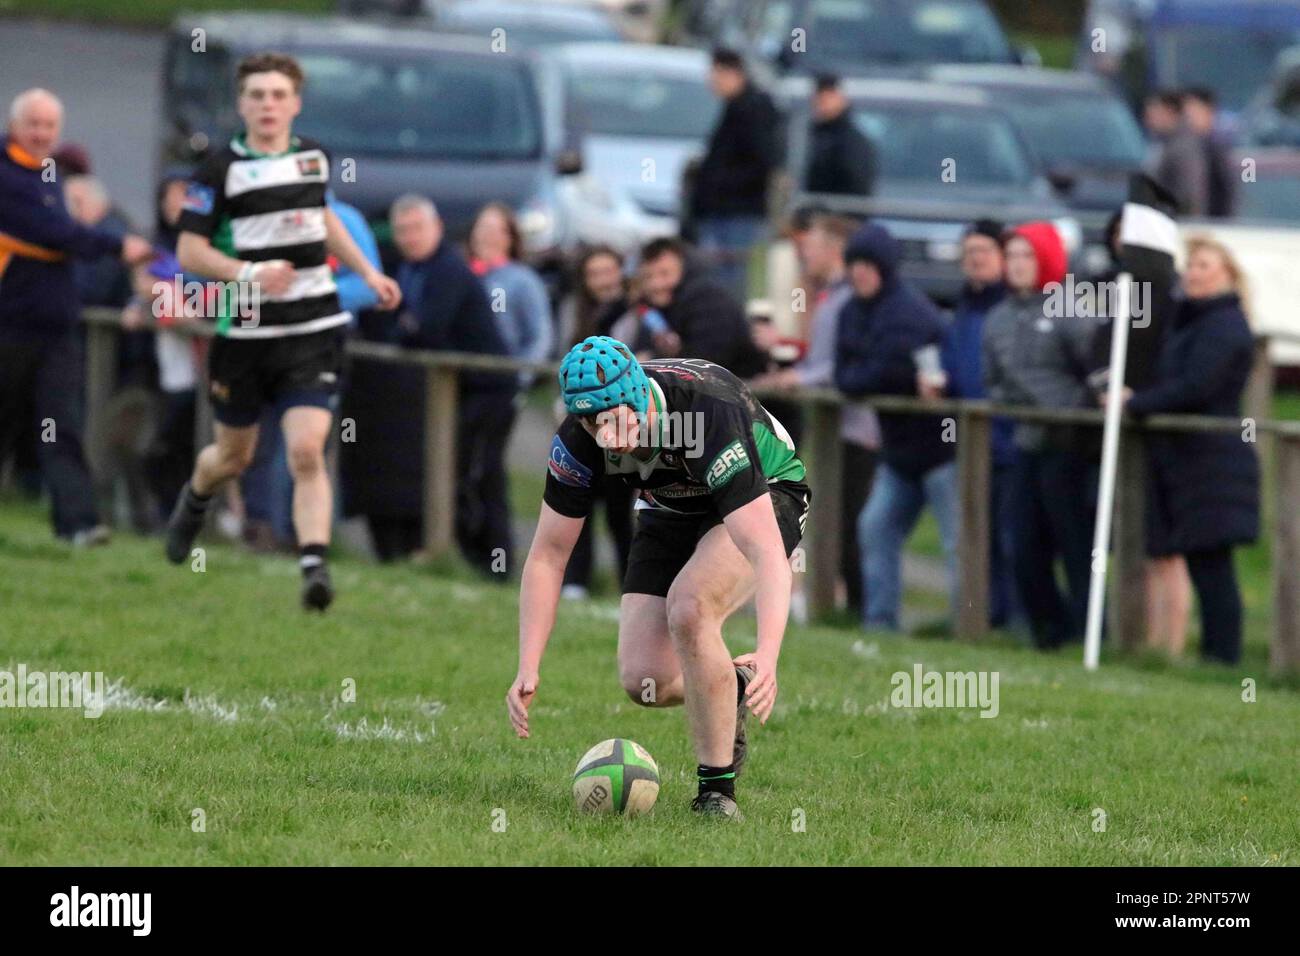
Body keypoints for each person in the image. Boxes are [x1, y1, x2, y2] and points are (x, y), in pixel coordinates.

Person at [506, 337, 811, 819]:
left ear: (639, 394)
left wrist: (769, 653)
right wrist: (528, 665)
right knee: (644, 679)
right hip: (670, 501)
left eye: (614, 417)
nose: (605, 435)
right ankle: (728, 686)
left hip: (767, 491)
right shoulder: (579, 437)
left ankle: (716, 793)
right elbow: (548, 554)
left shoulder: (705, 413)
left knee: (690, 607)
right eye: (591, 422)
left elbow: (767, 551)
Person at [162, 52, 401, 611]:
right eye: (257, 95)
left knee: (306, 450)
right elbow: (188, 251)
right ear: (242, 104)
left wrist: (369, 272)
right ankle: (196, 497)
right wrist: (249, 273)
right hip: (244, 333)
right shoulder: (216, 171)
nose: (267, 105)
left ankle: (313, 565)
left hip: (312, 327)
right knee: (233, 458)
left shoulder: (314, 157)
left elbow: (322, 218)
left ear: (294, 103)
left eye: (277, 95)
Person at [0, 88, 153, 546]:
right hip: (10, 325)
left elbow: (63, 234)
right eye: (34, 124)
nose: (42, 133)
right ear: (15, 125)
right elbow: (53, 233)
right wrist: (115, 245)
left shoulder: (48, 174)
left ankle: (79, 523)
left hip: (56, 328)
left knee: (60, 424)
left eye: (50, 126)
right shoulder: (7, 175)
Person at [342, 195, 515, 568]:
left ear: (437, 228)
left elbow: (427, 330)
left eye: (417, 228)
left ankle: (492, 566)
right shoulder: (405, 267)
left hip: (488, 391)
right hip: (456, 392)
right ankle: (459, 559)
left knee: (478, 477)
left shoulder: (448, 270)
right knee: (453, 474)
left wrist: (404, 328)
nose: (410, 237)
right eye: (402, 230)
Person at [1121, 237, 1259, 665]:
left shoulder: (1226, 326)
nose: (1194, 273)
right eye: (1191, 265)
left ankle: (1223, 659)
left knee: (1213, 566)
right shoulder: (1189, 322)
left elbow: (1196, 386)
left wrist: (1135, 404)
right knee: (1196, 562)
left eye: (1204, 265)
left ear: (1228, 275)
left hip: (1213, 463)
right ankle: (1188, 653)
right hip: (1185, 460)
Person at [834, 222, 957, 632]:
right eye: (854, 264)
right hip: (898, 450)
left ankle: (970, 627)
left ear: (885, 268)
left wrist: (868, 374)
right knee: (875, 528)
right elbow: (847, 375)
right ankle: (880, 621)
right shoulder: (852, 310)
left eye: (869, 265)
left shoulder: (910, 311)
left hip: (942, 448)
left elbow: (881, 372)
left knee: (957, 542)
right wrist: (868, 374)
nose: (860, 273)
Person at [753, 213, 879, 613]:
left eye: (812, 245)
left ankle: (863, 610)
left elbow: (847, 364)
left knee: (855, 523)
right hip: (834, 428)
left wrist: (798, 378)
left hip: (860, 429)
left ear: (834, 250)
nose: (803, 252)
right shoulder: (827, 294)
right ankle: (846, 608)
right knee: (837, 518)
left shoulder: (848, 300)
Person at [983, 223, 1098, 649]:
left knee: (1075, 544)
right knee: (1024, 546)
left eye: (1026, 256)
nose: (1016, 266)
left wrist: (1075, 410)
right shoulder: (997, 317)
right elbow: (990, 380)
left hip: (1071, 446)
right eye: (1011, 256)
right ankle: (1050, 632)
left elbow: (1098, 370)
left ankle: (1091, 632)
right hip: (1026, 445)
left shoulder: (1071, 308)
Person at [932, 220, 1018, 629]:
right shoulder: (964, 308)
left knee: (1012, 538)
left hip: (1011, 441)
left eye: (984, 251)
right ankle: (987, 620)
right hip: (972, 443)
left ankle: (1021, 622)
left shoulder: (1011, 307)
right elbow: (958, 366)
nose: (975, 260)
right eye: (969, 253)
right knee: (979, 538)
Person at [557, 247, 635, 598]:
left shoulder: (636, 313)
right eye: (595, 273)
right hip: (583, 425)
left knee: (621, 512)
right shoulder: (577, 313)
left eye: (609, 270)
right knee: (580, 503)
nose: (603, 280)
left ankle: (631, 585)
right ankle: (576, 580)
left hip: (622, 424)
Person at [689, 48, 780, 300]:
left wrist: (719, 185)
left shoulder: (753, 109)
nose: (712, 82)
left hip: (737, 212)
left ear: (732, 73)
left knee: (728, 283)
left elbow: (761, 162)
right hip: (723, 210)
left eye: (716, 75)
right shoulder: (735, 107)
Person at [637, 237, 768, 378]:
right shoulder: (651, 307)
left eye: (664, 274)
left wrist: (657, 358)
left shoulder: (707, 300)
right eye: (648, 277)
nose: (656, 284)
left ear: (683, 268)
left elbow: (707, 363)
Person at [468, 201, 552, 386]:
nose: (487, 236)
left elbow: (540, 335)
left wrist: (520, 377)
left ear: (510, 238)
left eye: (496, 230)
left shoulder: (522, 280)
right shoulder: (463, 276)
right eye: (483, 228)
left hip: (501, 381)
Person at [804, 74, 875, 197]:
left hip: (838, 210)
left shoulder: (852, 141)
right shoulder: (810, 133)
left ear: (841, 98)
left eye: (828, 97)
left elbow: (856, 185)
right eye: (819, 97)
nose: (822, 102)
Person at [1143, 91, 1208, 216]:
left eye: (1152, 112)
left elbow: (1189, 195)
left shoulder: (1183, 148)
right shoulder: (1167, 144)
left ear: (1169, 111)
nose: (1148, 118)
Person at [1183, 87, 1237, 219]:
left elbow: (1236, 192)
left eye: (1193, 113)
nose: (1188, 120)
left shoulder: (1224, 148)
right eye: (1186, 115)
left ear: (1210, 112)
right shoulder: (1192, 148)